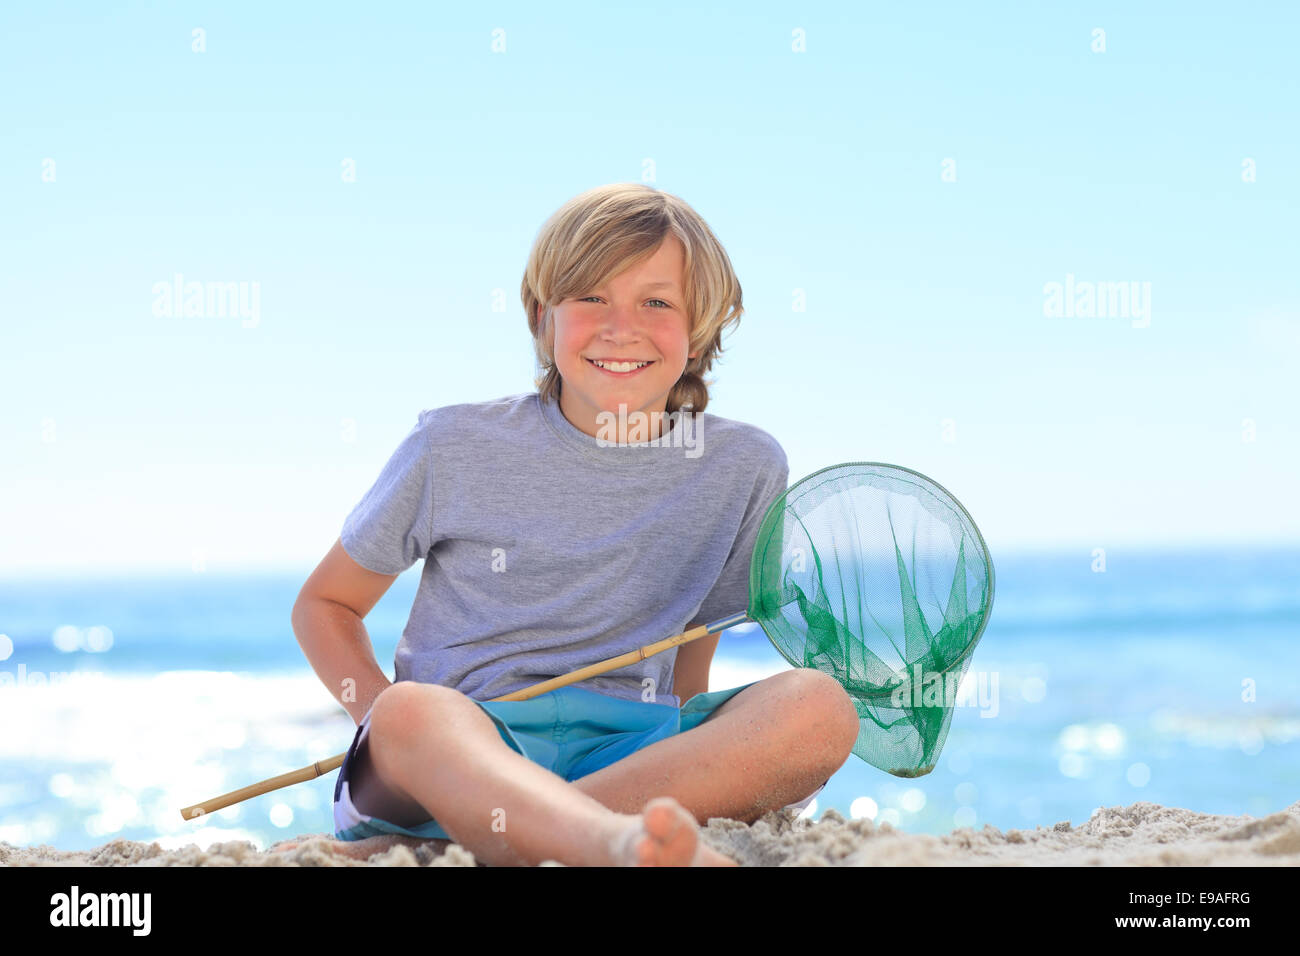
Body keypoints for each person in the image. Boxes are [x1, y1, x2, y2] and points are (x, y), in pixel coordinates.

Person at [283, 183, 860, 867]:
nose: (623, 326)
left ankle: (527, 832)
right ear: (541, 316)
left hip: (631, 752)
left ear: (699, 326)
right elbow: (325, 605)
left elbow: (691, 653)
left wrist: (697, 760)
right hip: (463, 751)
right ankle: (601, 838)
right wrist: (375, 718)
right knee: (412, 711)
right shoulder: (453, 445)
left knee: (820, 707)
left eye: (657, 301)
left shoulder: (745, 466)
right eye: (591, 298)